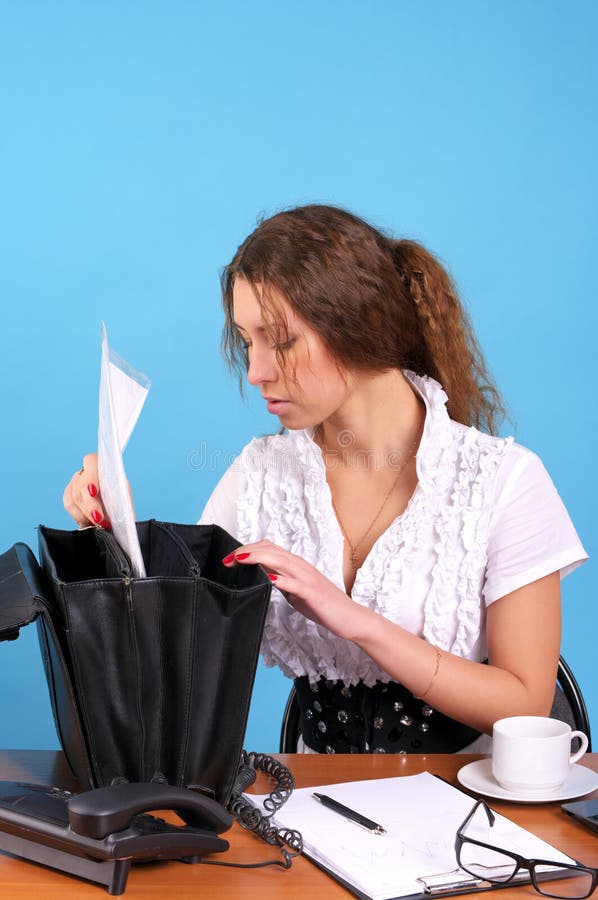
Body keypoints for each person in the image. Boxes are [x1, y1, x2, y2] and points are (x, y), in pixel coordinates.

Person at [64, 204, 587, 754]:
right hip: (314, 793)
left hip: (469, 793)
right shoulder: (260, 475)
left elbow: (526, 704)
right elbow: (173, 653)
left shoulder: (503, 480)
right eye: (247, 341)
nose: (256, 371)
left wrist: (356, 621)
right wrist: (114, 536)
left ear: (359, 324)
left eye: (280, 340)